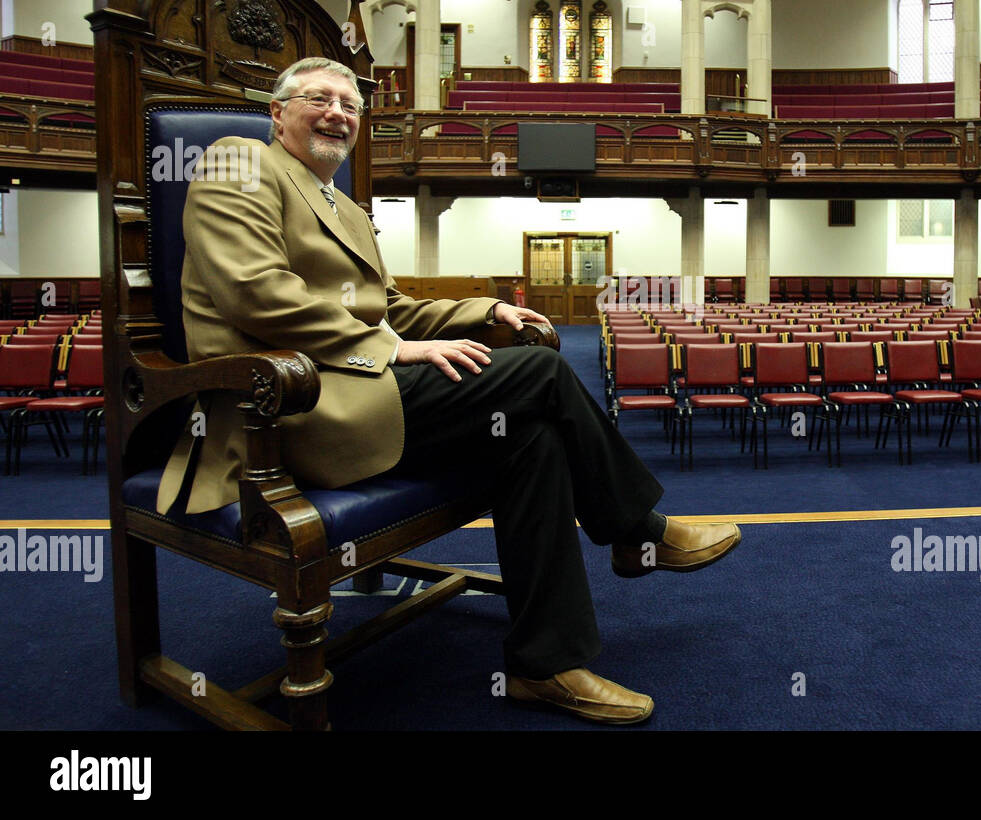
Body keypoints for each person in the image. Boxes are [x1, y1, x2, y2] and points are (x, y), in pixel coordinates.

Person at [156, 57, 740, 724]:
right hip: (286, 409)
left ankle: (544, 665)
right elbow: (255, 294)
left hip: (364, 391)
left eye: (349, 104)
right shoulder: (239, 163)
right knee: (543, 373)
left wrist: (484, 312)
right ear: (276, 114)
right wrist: (391, 349)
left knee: (534, 436)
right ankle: (638, 532)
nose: (337, 113)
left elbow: (390, 306)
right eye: (318, 98)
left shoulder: (342, 206)